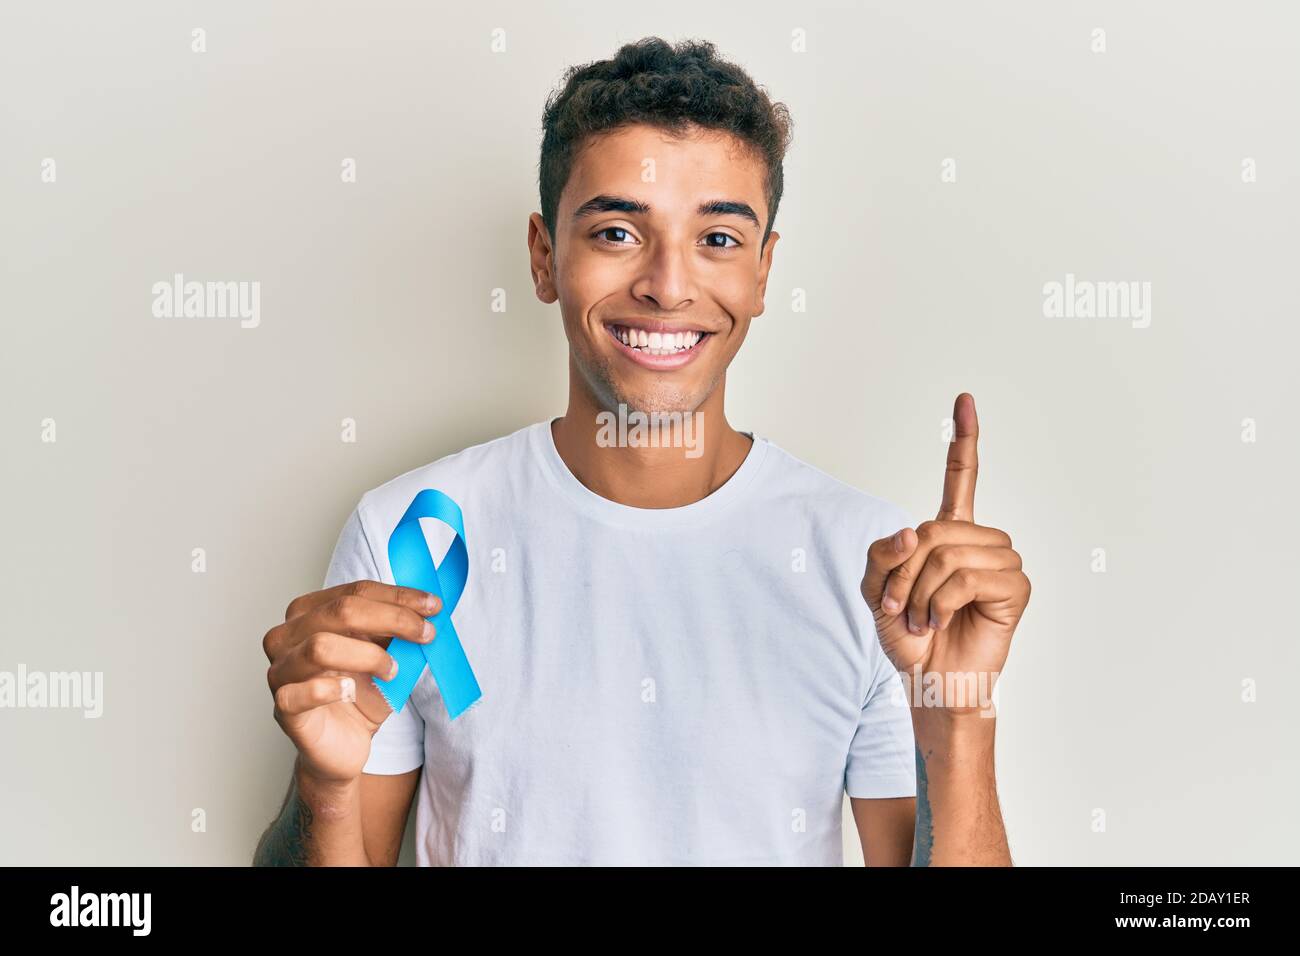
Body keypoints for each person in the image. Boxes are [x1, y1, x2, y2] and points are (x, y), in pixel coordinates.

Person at [254, 37, 1029, 866]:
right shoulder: (418, 538)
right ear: (545, 256)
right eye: (619, 231)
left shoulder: (873, 565)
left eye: (719, 240)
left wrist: (959, 719)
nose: (668, 284)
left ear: (764, 273)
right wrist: (325, 788)